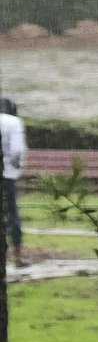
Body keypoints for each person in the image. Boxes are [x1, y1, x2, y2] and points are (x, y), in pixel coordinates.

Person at [0, 96, 24, 263]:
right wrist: (14, 168)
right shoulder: (14, 122)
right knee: (11, 214)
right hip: (7, 175)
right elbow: (16, 150)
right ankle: (17, 257)